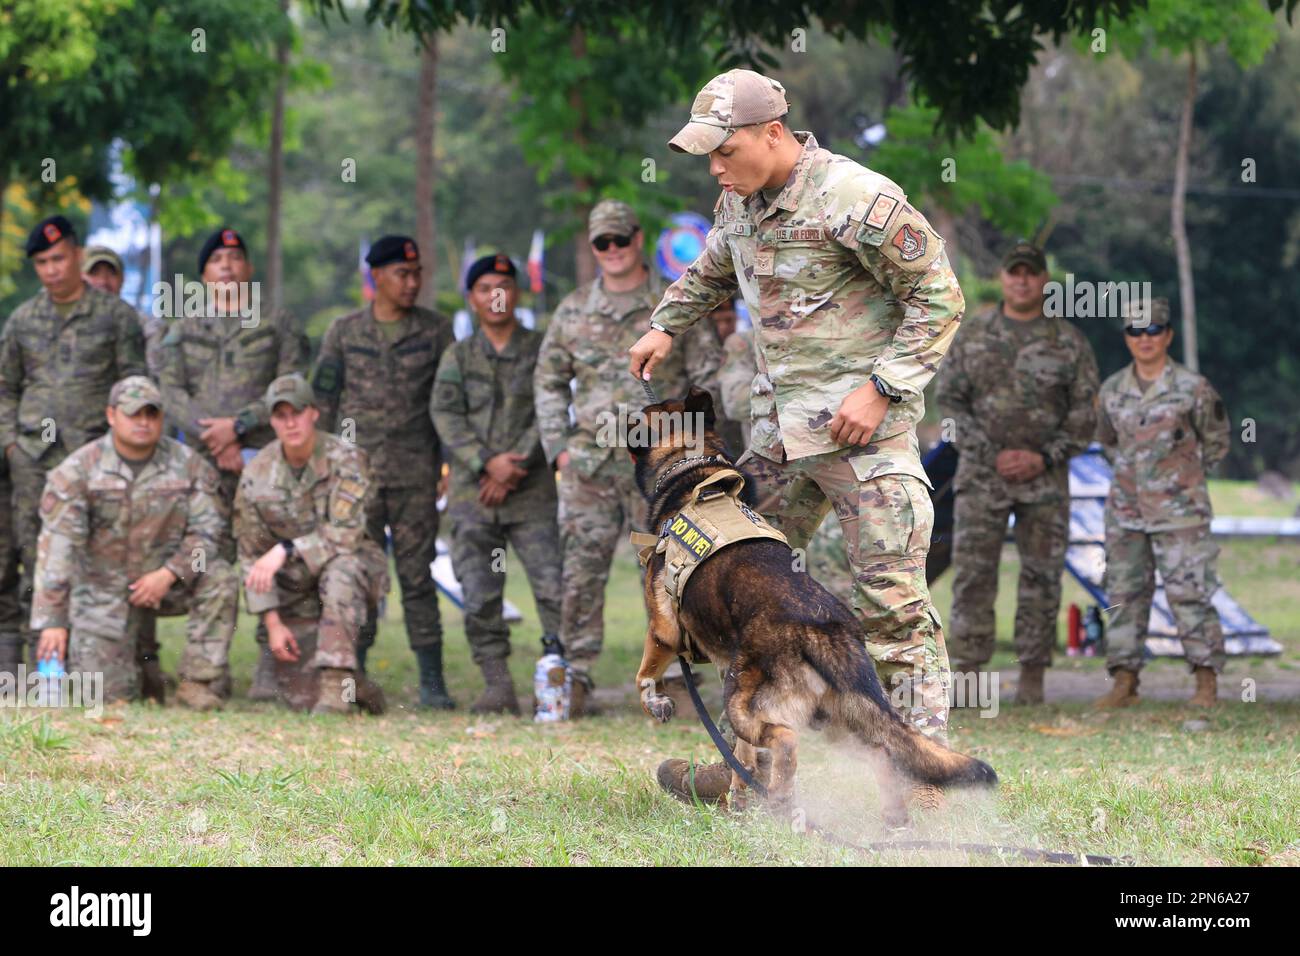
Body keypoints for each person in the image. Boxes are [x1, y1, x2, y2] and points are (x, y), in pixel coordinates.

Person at [628, 69, 965, 803]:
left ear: (772, 134)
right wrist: (664, 323)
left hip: (865, 439)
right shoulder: (738, 201)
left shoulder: (855, 198)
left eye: (725, 152)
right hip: (782, 436)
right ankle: (754, 767)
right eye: (707, 157)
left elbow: (939, 298)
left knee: (894, 608)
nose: (715, 169)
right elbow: (714, 267)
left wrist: (881, 390)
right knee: (732, 585)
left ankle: (923, 783)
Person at [534, 199, 722, 714]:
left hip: (664, 469)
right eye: (603, 242)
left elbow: (708, 372)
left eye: (622, 239)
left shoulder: (671, 306)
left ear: (639, 240)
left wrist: (694, 447)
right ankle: (576, 676)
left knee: (678, 568)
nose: (613, 250)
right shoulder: (572, 310)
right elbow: (549, 382)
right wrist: (559, 452)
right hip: (590, 468)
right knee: (582, 570)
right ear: (594, 248)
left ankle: (681, 679)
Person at [936, 241, 1099, 704]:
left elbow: (1084, 413)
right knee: (973, 574)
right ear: (1003, 278)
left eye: (1031, 272)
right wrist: (990, 453)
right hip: (982, 476)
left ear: (1044, 280)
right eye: (1014, 272)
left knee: (1042, 576)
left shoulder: (1068, 342)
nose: (1022, 279)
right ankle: (968, 680)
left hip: (1045, 479)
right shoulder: (975, 334)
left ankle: (1032, 677)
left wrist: (1043, 456)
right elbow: (951, 403)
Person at [158, 226, 309, 698]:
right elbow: (167, 389)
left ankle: (273, 670)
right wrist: (214, 436)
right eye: (216, 259)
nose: (226, 265)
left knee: (271, 556)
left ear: (249, 269)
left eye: (235, 257)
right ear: (203, 274)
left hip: (262, 464)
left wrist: (237, 427)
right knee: (209, 562)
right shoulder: (181, 327)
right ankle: (209, 672)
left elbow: (292, 385)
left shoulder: (276, 321)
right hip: (200, 467)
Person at [311, 235, 456, 709]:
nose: (412, 282)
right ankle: (354, 673)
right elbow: (325, 403)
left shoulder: (437, 331)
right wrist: (324, 468)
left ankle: (432, 683)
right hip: (356, 480)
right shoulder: (344, 331)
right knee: (359, 575)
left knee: (417, 578)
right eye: (402, 274)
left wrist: (447, 463)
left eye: (417, 274)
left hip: (415, 475)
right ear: (377, 278)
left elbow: (447, 404)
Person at [31, 377, 237, 707]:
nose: (144, 422)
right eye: (134, 414)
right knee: (104, 698)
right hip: (103, 593)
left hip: (169, 583)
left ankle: (199, 681)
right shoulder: (77, 471)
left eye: (152, 414)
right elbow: (58, 548)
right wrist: (53, 621)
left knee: (220, 577)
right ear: (111, 415)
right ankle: (142, 669)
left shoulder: (190, 466)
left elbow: (210, 533)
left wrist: (170, 572)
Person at [0, 215, 146, 674]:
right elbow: (5, 387)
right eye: (41, 262)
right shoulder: (23, 320)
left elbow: (133, 386)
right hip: (33, 460)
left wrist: (120, 449)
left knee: (95, 557)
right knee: (32, 555)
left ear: (78, 255)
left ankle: (96, 663)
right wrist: (9, 444)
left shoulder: (114, 316)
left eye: (58, 258)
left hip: (95, 459)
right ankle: (33, 667)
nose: (51, 269)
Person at [430, 253, 562, 714]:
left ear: (517, 294)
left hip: (532, 491)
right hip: (474, 495)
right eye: (485, 288)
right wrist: (486, 462)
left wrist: (516, 464)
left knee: (552, 585)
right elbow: (445, 414)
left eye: (504, 285)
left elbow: (553, 406)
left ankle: (559, 677)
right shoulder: (459, 356)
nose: (496, 295)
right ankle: (496, 684)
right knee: (480, 589)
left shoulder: (542, 349)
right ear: (472, 298)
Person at [1094, 299, 1229, 708]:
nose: (1145, 339)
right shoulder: (1112, 390)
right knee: (1123, 593)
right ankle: (1124, 681)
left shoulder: (1194, 388)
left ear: (1168, 335)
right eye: (1135, 331)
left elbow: (1217, 441)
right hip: (1125, 512)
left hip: (1181, 514)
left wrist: (1179, 478)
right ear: (1126, 338)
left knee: (1190, 593)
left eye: (1153, 330)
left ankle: (1206, 681)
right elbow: (1107, 442)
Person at [234, 374, 388, 715]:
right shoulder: (257, 474)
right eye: (280, 415)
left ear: (314, 413)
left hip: (353, 572)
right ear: (272, 420)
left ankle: (336, 685)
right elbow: (250, 556)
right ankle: (357, 686)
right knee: (299, 698)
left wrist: (286, 548)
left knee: (342, 569)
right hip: (295, 585)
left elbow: (346, 534)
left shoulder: (347, 459)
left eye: (297, 412)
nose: (290, 423)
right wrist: (272, 624)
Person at [83, 245, 167, 380]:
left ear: (122, 279)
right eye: (94, 273)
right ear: (80, 278)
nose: (103, 281)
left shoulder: (148, 327)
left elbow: (156, 377)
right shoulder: (58, 324)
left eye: (111, 273)